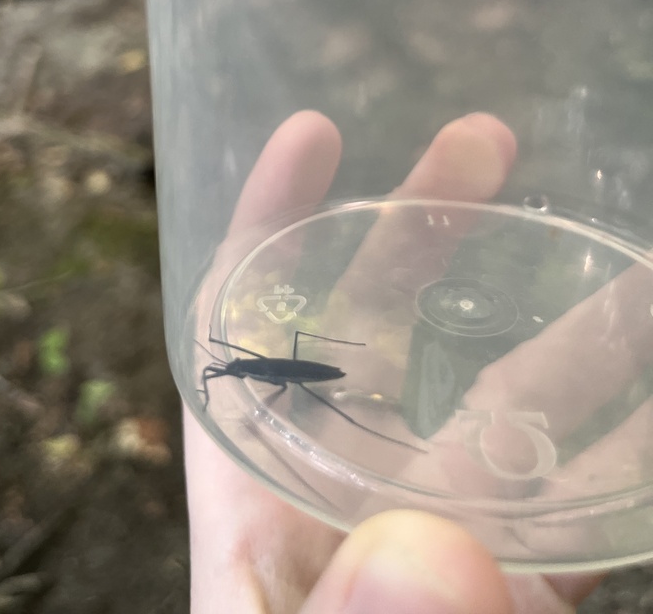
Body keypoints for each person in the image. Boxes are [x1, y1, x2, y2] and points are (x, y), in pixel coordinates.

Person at [185, 111, 605, 613]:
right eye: (224, 370)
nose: (223, 367)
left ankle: (363, 401)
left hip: (299, 372)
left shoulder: (251, 370)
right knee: (291, 380)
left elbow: (247, 367)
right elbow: (227, 368)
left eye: (225, 368)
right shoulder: (246, 369)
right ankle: (370, 420)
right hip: (293, 373)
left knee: (304, 384)